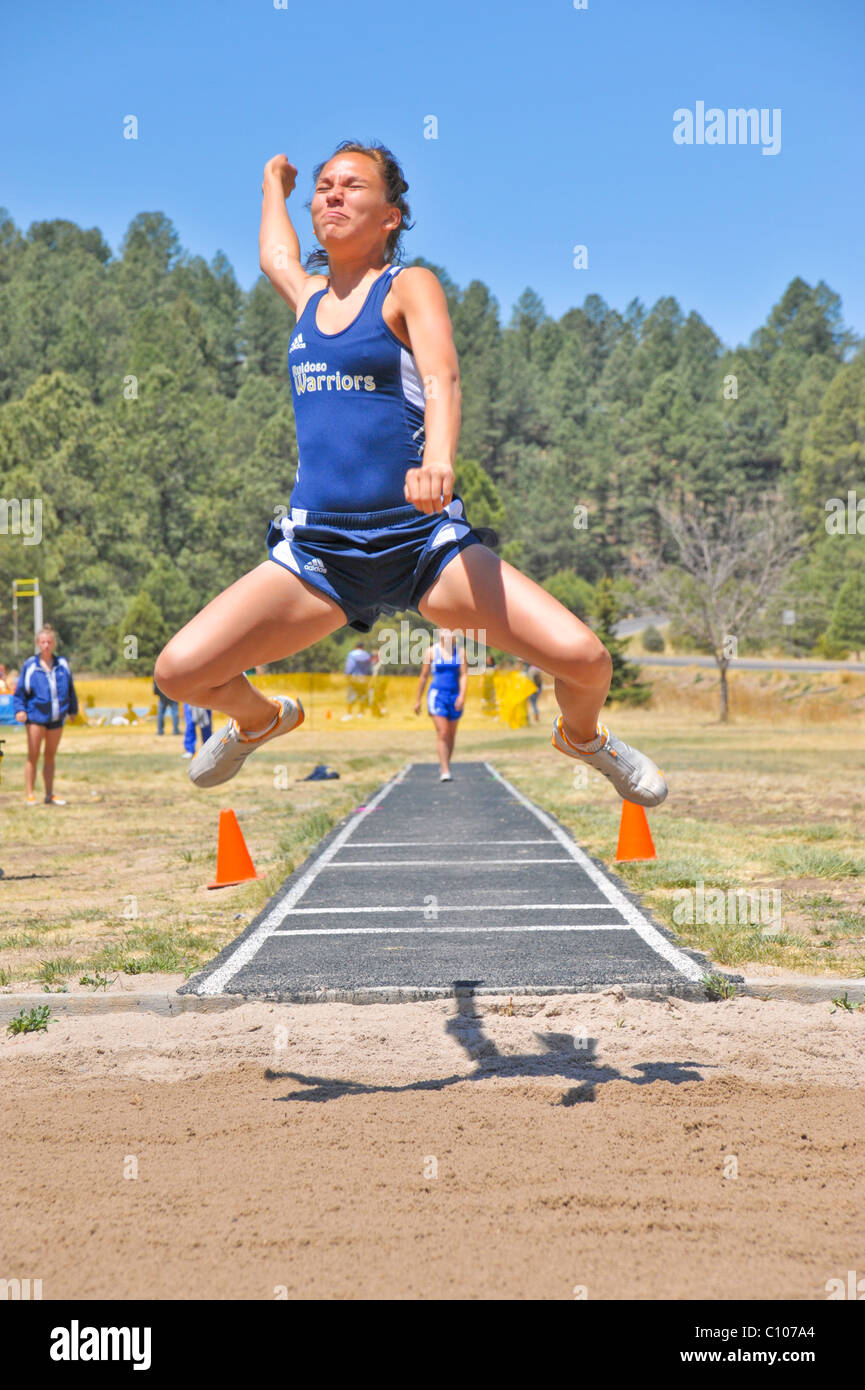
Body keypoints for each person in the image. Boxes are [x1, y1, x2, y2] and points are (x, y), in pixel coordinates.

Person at [154, 142, 666, 809]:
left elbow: (440, 375)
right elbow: (274, 256)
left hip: (422, 546)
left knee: (586, 660)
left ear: (391, 215)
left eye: (352, 186)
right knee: (179, 672)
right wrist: (269, 190)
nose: (332, 194)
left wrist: (439, 461)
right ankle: (260, 719)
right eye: (323, 186)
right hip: (317, 556)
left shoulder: (407, 286)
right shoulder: (307, 299)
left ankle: (583, 739)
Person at [13, 624, 78, 805]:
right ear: (38, 644)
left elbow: (71, 689)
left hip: (56, 717)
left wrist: (73, 709)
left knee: (50, 755)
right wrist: (20, 709)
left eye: (49, 642)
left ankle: (49, 794)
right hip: (35, 716)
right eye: (43, 642)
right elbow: (20, 692)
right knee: (33, 755)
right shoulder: (30, 665)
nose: (46, 645)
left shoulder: (62, 664)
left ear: (54, 644)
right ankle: (30, 793)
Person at [414, 627, 466, 780]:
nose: (447, 633)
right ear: (439, 633)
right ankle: (445, 770)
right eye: (444, 630)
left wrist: (462, 696)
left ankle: (446, 764)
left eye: (450, 630)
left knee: (451, 733)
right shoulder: (431, 651)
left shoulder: (461, 652)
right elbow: (423, 676)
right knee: (443, 732)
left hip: (455, 695)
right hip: (437, 695)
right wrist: (417, 700)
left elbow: (464, 675)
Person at [343, 642, 373, 719]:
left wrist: (346, 675)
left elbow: (350, 666)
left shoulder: (352, 654)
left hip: (354, 679)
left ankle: (349, 714)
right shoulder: (366, 655)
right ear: (362, 647)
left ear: (356, 647)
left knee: (350, 697)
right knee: (362, 696)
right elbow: (369, 668)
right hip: (363, 679)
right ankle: (360, 714)